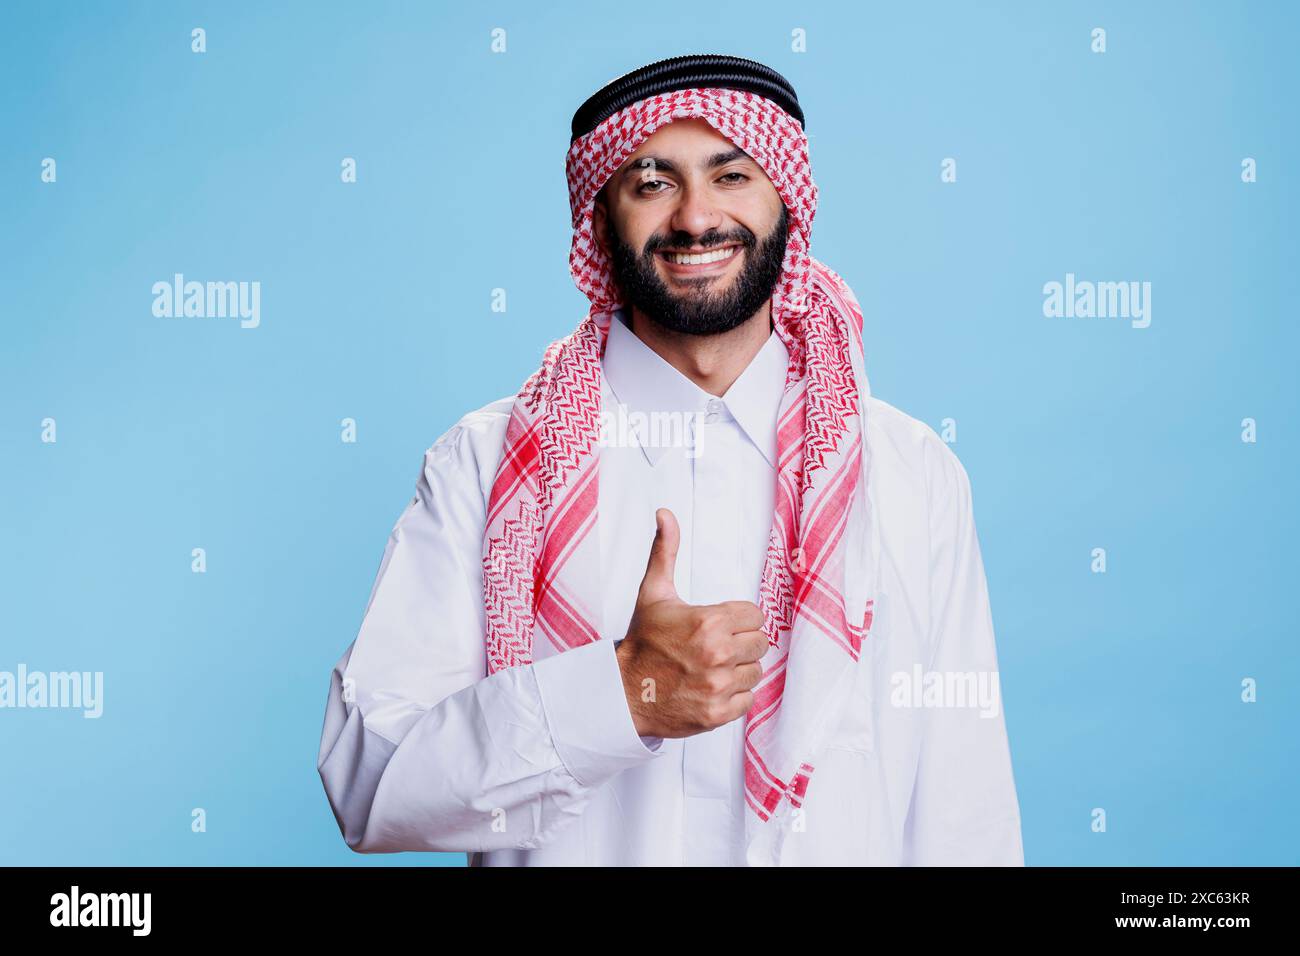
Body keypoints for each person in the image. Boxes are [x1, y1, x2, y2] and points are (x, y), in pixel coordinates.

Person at [317, 54, 1024, 866]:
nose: (695, 219)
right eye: (653, 184)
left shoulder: (908, 473)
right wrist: (622, 695)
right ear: (599, 220)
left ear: (786, 199)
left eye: (731, 176)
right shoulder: (485, 467)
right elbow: (370, 786)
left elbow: (961, 813)